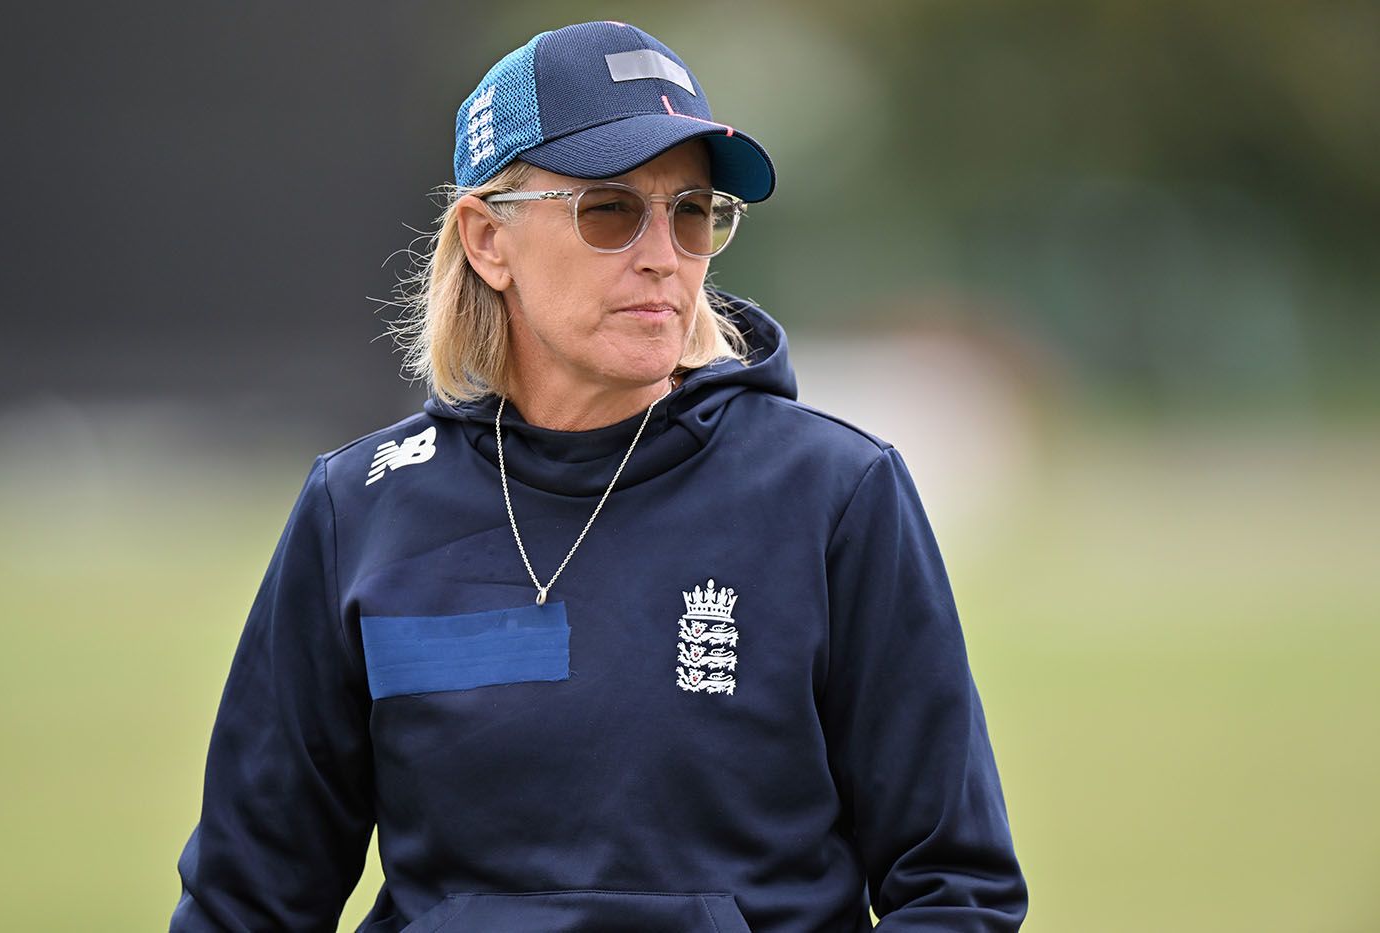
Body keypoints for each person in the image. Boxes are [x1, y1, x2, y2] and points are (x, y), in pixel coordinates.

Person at [170, 20, 1027, 933]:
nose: (663, 253)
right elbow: (247, 899)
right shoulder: (360, 509)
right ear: (487, 240)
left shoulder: (837, 494)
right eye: (610, 209)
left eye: (693, 212)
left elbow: (955, 889)